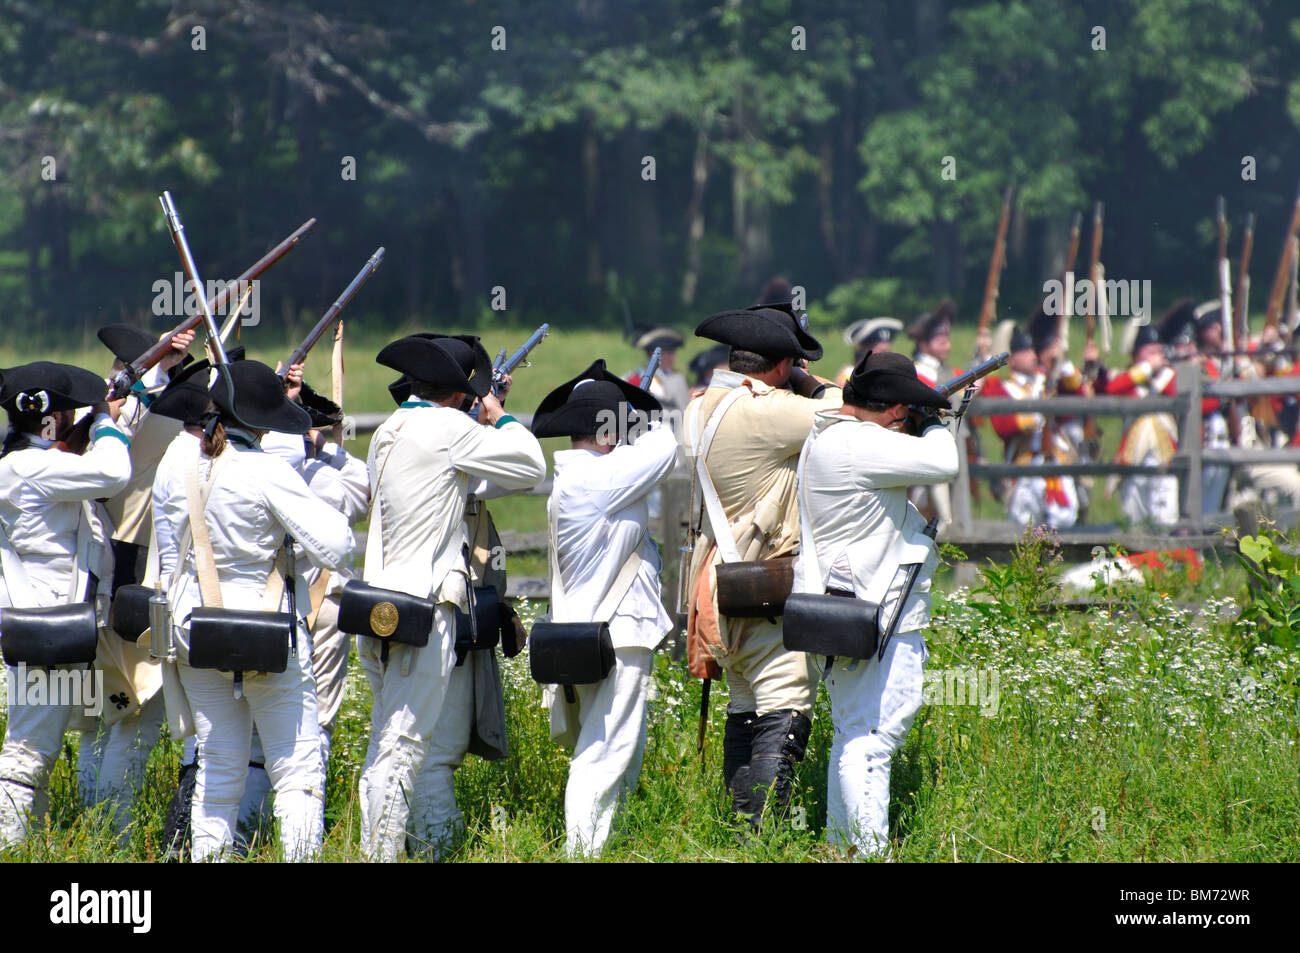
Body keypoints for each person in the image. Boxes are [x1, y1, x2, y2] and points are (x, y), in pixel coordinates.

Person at [152, 359, 354, 861]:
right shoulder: (265, 469)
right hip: (266, 633)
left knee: (217, 772)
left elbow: (169, 560)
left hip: (196, 633)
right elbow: (338, 546)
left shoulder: (174, 465)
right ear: (261, 422)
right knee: (298, 773)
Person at [357, 333, 545, 862]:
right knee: (404, 746)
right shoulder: (449, 428)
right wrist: (498, 414)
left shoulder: (388, 430)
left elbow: (454, 486)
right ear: (459, 392)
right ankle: (382, 854)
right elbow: (532, 465)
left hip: (379, 608)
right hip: (425, 610)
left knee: (386, 742)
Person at [682, 302, 842, 828]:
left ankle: (738, 830)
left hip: (721, 584)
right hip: (767, 578)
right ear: (779, 366)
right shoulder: (768, 411)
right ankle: (764, 835)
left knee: (745, 705)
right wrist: (813, 382)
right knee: (785, 703)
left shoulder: (701, 405)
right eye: (790, 363)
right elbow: (849, 409)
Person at [792, 350, 958, 857]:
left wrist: (919, 419)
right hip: (871, 610)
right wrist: (932, 425)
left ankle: (843, 848)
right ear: (892, 410)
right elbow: (944, 462)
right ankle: (867, 852)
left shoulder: (835, 436)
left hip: (853, 608)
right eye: (905, 413)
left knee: (854, 735)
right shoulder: (858, 442)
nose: (906, 424)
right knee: (873, 741)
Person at [531, 359, 678, 855]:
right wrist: (645, 404)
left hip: (595, 635)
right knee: (604, 754)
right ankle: (584, 852)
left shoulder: (583, 476)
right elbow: (667, 445)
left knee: (610, 751)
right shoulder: (597, 477)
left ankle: (604, 844)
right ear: (608, 434)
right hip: (617, 631)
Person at [0, 362, 131, 847]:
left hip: (52, 619)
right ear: (51, 421)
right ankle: (9, 847)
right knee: (27, 750)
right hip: (49, 622)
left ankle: (27, 845)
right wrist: (105, 421)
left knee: (41, 747)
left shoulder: (24, 461)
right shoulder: (31, 466)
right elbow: (113, 472)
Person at [77, 324, 194, 834]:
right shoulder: (129, 422)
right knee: (134, 715)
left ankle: (93, 824)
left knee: (103, 719)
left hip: (102, 582)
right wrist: (159, 370)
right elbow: (130, 428)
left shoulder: (106, 421)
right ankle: (113, 832)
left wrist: (158, 372)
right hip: (130, 580)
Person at [981, 325, 1080, 528]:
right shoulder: (1003, 388)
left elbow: (1078, 394)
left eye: (1032, 351)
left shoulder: (1048, 380)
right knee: (1023, 527)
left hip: (1054, 462)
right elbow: (1003, 426)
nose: (1033, 356)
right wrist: (1038, 415)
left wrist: (1063, 361)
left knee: (1064, 523)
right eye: (1025, 352)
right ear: (1012, 359)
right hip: (1024, 465)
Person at [1106, 315, 1180, 528]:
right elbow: (1113, 389)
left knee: (1165, 519)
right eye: (1150, 352)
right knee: (1133, 519)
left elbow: (1175, 390)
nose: (1156, 357)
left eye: (1158, 351)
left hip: (1164, 457)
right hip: (1133, 457)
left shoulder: (1169, 377)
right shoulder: (1129, 378)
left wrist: (1157, 371)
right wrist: (1146, 369)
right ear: (1137, 355)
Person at [907, 301, 956, 526]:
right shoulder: (919, 373)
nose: (948, 347)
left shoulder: (943, 371)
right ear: (924, 343)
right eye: (941, 341)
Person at [629, 327, 690, 412]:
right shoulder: (636, 377)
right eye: (668, 353)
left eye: (672, 353)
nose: (673, 358)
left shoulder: (678, 377)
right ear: (652, 353)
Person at [837, 317, 903, 387]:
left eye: (887, 351)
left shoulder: (897, 374)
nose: (885, 356)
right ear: (864, 350)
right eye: (881, 351)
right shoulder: (848, 374)